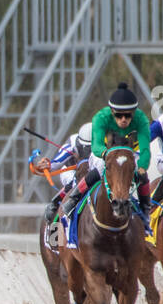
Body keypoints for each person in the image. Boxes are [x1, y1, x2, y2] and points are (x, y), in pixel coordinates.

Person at [51, 83, 153, 231]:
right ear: (112, 112)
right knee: (100, 168)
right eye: (118, 115)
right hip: (104, 152)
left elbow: (145, 149)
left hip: (128, 153)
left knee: (140, 172)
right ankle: (74, 198)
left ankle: (145, 209)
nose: (123, 119)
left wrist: (143, 166)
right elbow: (97, 146)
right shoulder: (101, 117)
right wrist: (107, 155)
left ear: (134, 112)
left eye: (128, 115)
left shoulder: (141, 120)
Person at [39, 122, 93, 224]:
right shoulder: (71, 144)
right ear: (79, 143)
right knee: (75, 182)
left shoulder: (105, 142)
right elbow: (58, 161)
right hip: (71, 171)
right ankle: (55, 203)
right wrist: (48, 165)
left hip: (94, 172)